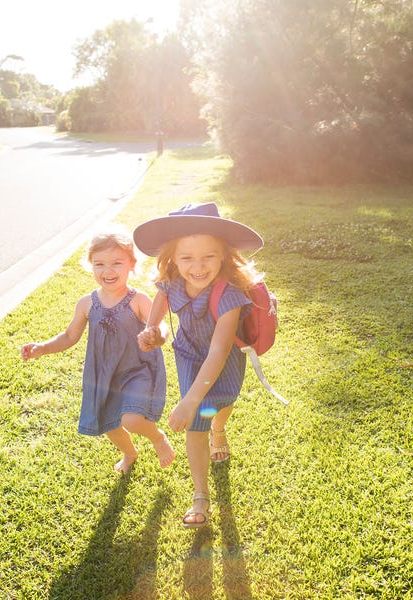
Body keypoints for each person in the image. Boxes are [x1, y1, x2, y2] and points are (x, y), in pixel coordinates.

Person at [134, 203, 264, 528]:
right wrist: (153, 331)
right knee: (195, 426)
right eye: (187, 258)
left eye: (208, 256)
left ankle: (219, 428)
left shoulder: (230, 294)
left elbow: (219, 350)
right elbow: (161, 304)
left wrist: (189, 401)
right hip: (190, 357)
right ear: (173, 259)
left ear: (224, 255)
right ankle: (201, 495)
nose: (198, 266)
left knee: (223, 402)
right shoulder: (172, 281)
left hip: (223, 361)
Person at [21, 226, 175, 475]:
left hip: (137, 371)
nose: (108, 270)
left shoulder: (138, 299)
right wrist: (43, 348)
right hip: (104, 375)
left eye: (117, 263)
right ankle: (129, 453)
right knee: (110, 424)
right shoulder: (87, 303)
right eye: (100, 264)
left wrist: (157, 335)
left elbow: (160, 324)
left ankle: (158, 438)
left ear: (131, 265)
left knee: (131, 419)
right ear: (90, 265)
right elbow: (70, 335)